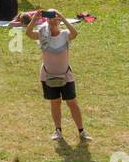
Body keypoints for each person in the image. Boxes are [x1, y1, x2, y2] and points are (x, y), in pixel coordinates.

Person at [25, 9, 91, 142]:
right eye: (49, 18)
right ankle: (58, 131)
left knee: (72, 102)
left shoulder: (65, 34)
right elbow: (29, 34)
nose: (51, 20)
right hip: (48, 76)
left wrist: (63, 17)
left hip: (66, 75)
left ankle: (81, 130)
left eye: (54, 17)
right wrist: (35, 18)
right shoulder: (43, 34)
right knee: (55, 102)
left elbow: (75, 33)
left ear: (59, 20)